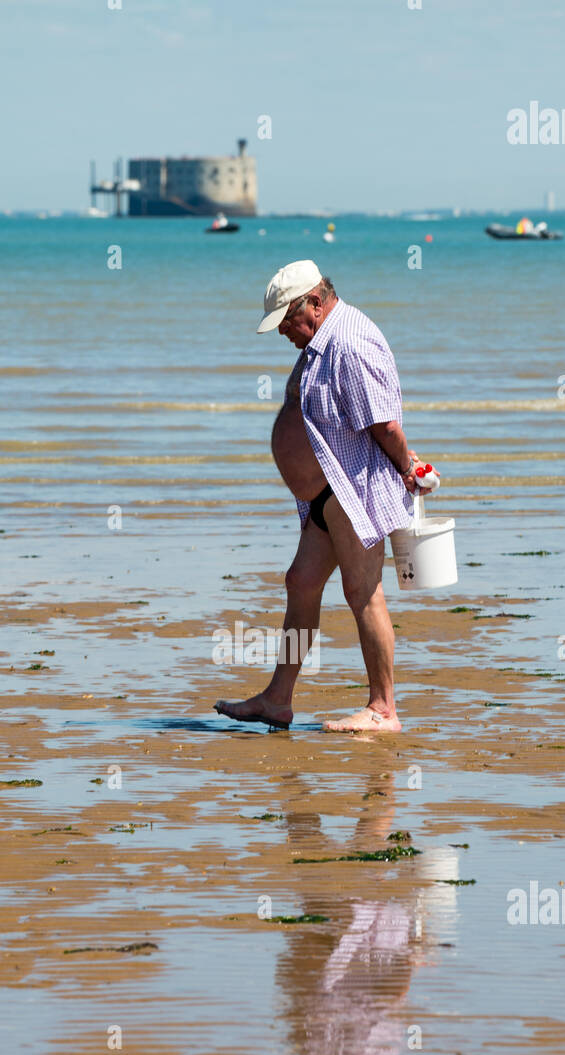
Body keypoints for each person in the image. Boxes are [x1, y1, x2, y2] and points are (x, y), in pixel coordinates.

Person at [214, 259, 437, 734]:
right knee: (301, 583)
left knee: (363, 592)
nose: (282, 333)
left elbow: (384, 422)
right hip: (327, 492)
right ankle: (277, 699)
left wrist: (406, 469)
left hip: (352, 490)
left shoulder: (350, 341)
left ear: (315, 302)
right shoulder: (323, 339)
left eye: (287, 321)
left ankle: (383, 709)